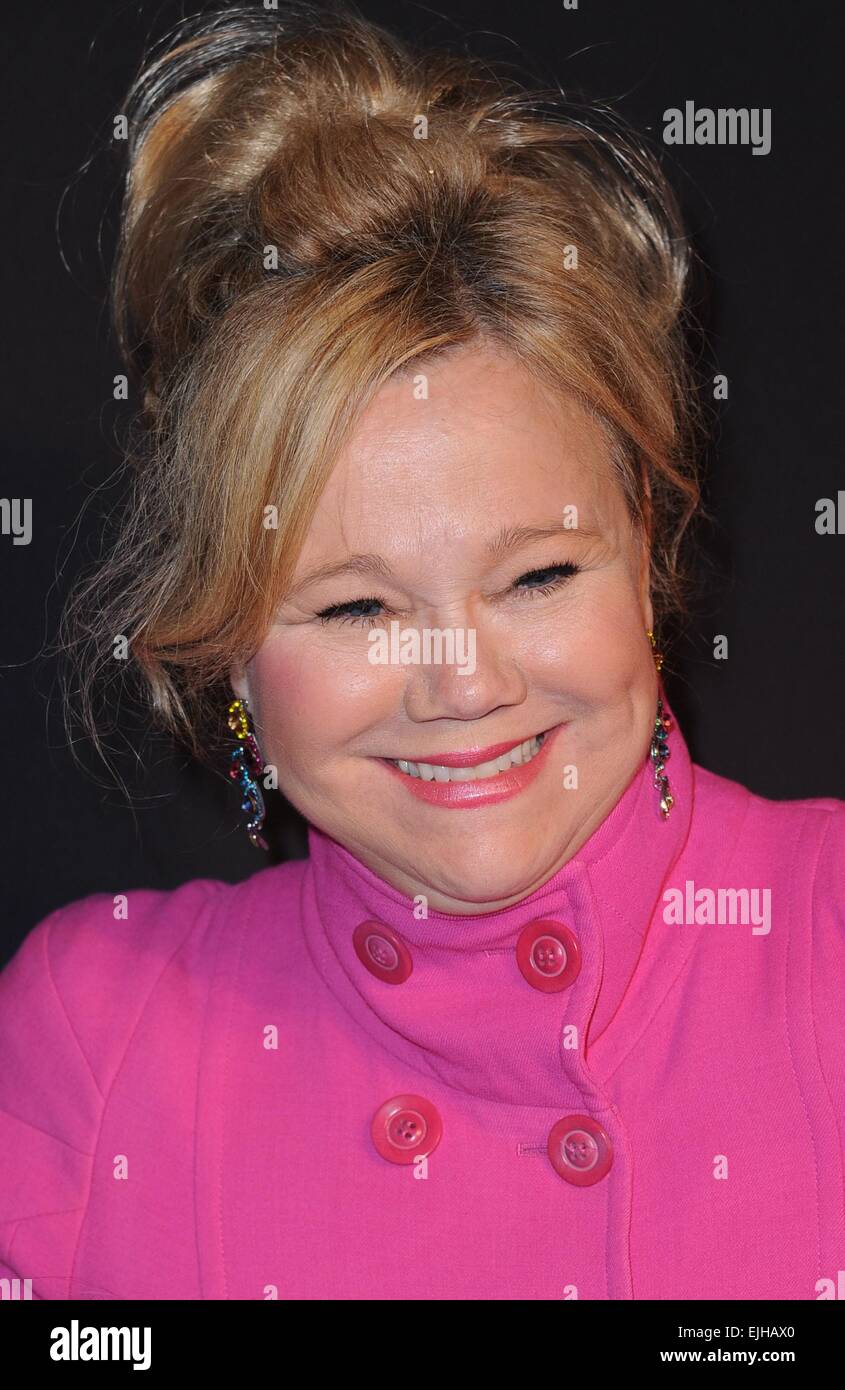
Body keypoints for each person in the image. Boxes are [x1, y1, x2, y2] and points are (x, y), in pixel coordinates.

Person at [1, 2, 842, 1302]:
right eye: (355, 608)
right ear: (224, 648)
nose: (464, 681)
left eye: (538, 574)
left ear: (650, 556)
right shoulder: (92, 1037)